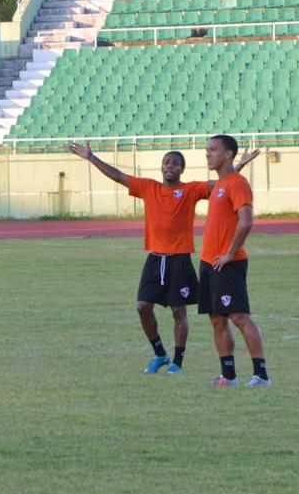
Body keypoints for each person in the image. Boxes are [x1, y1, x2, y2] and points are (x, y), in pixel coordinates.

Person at [69, 143, 258, 374]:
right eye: (166, 162)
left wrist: (238, 165)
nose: (170, 166)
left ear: (182, 169)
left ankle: (177, 362)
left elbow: (223, 184)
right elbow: (118, 176)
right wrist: (91, 157)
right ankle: (160, 354)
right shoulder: (148, 187)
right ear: (161, 167)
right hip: (155, 259)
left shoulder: (191, 189)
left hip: (180, 260)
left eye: (175, 163)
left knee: (178, 312)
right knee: (142, 307)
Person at [199, 134, 270, 388]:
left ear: (228, 153)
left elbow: (246, 221)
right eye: (207, 149)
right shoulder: (223, 182)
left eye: (213, 149)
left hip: (228, 263)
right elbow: (228, 178)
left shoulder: (237, 183)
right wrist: (240, 164)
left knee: (239, 317)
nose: (208, 154)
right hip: (209, 262)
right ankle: (228, 376)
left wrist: (229, 253)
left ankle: (261, 376)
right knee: (217, 319)